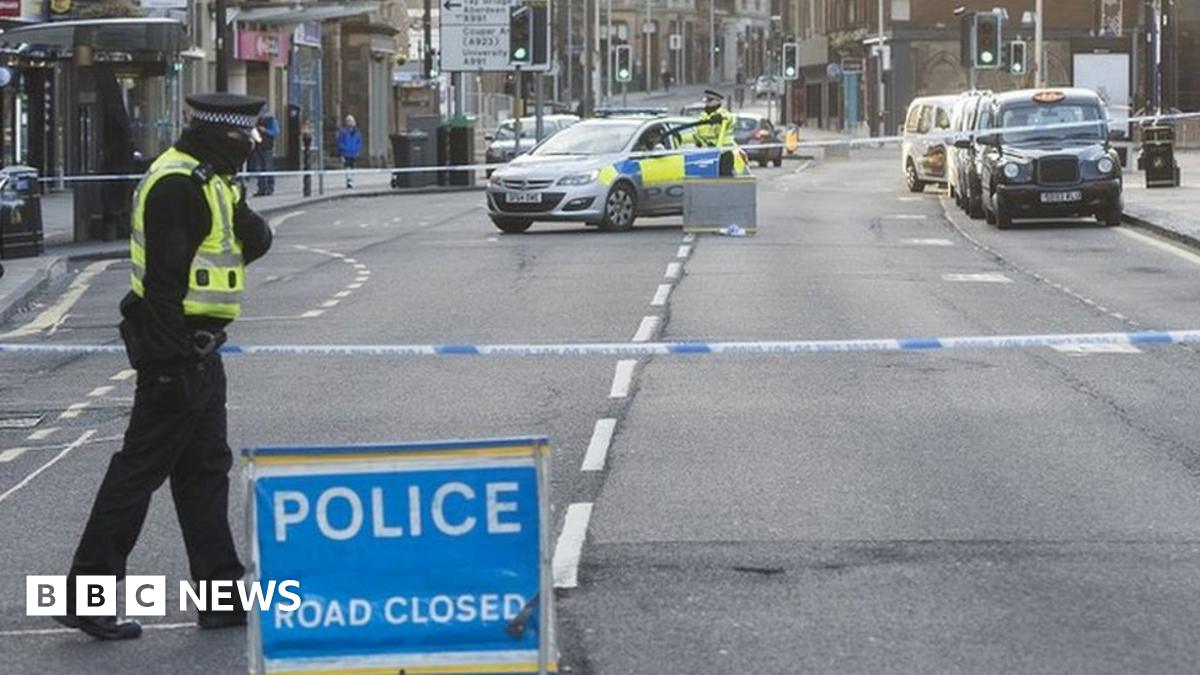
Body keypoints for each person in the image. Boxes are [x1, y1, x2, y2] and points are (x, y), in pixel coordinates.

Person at [54, 93, 273, 641]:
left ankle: (221, 598)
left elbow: (257, 240)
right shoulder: (177, 185)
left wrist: (234, 193)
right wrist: (172, 363)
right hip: (176, 353)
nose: (252, 147)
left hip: (201, 350)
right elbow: (162, 286)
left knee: (203, 476)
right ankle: (87, 596)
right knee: (138, 473)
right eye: (246, 138)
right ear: (225, 135)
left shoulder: (212, 179)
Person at [694, 90, 737, 176]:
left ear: (718, 101)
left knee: (724, 181)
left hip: (723, 154)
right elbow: (697, 134)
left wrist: (720, 117)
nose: (707, 104)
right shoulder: (703, 116)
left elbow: (730, 118)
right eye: (706, 101)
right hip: (707, 154)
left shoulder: (723, 114)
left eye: (709, 101)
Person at [252, 109, 279, 196]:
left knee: (268, 168)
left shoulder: (271, 120)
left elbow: (275, 132)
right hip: (258, 147)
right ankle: (261, 189)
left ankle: (269, 189)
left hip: (267, 148)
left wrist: (265, 130)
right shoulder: (256, 120)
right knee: (259, 169)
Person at [336, 114, 363, 188]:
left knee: (352, 167)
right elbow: (339, 141)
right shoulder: (343, 132)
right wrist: (343, 149)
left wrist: (357, 149)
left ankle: (351, 180)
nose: (350, 123)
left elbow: (359, 142)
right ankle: (349, 180)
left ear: (354, 122)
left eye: (351, 121)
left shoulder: (357, 132)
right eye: (348, 121)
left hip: (353, 153)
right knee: (347, 167)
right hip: (346, 152)